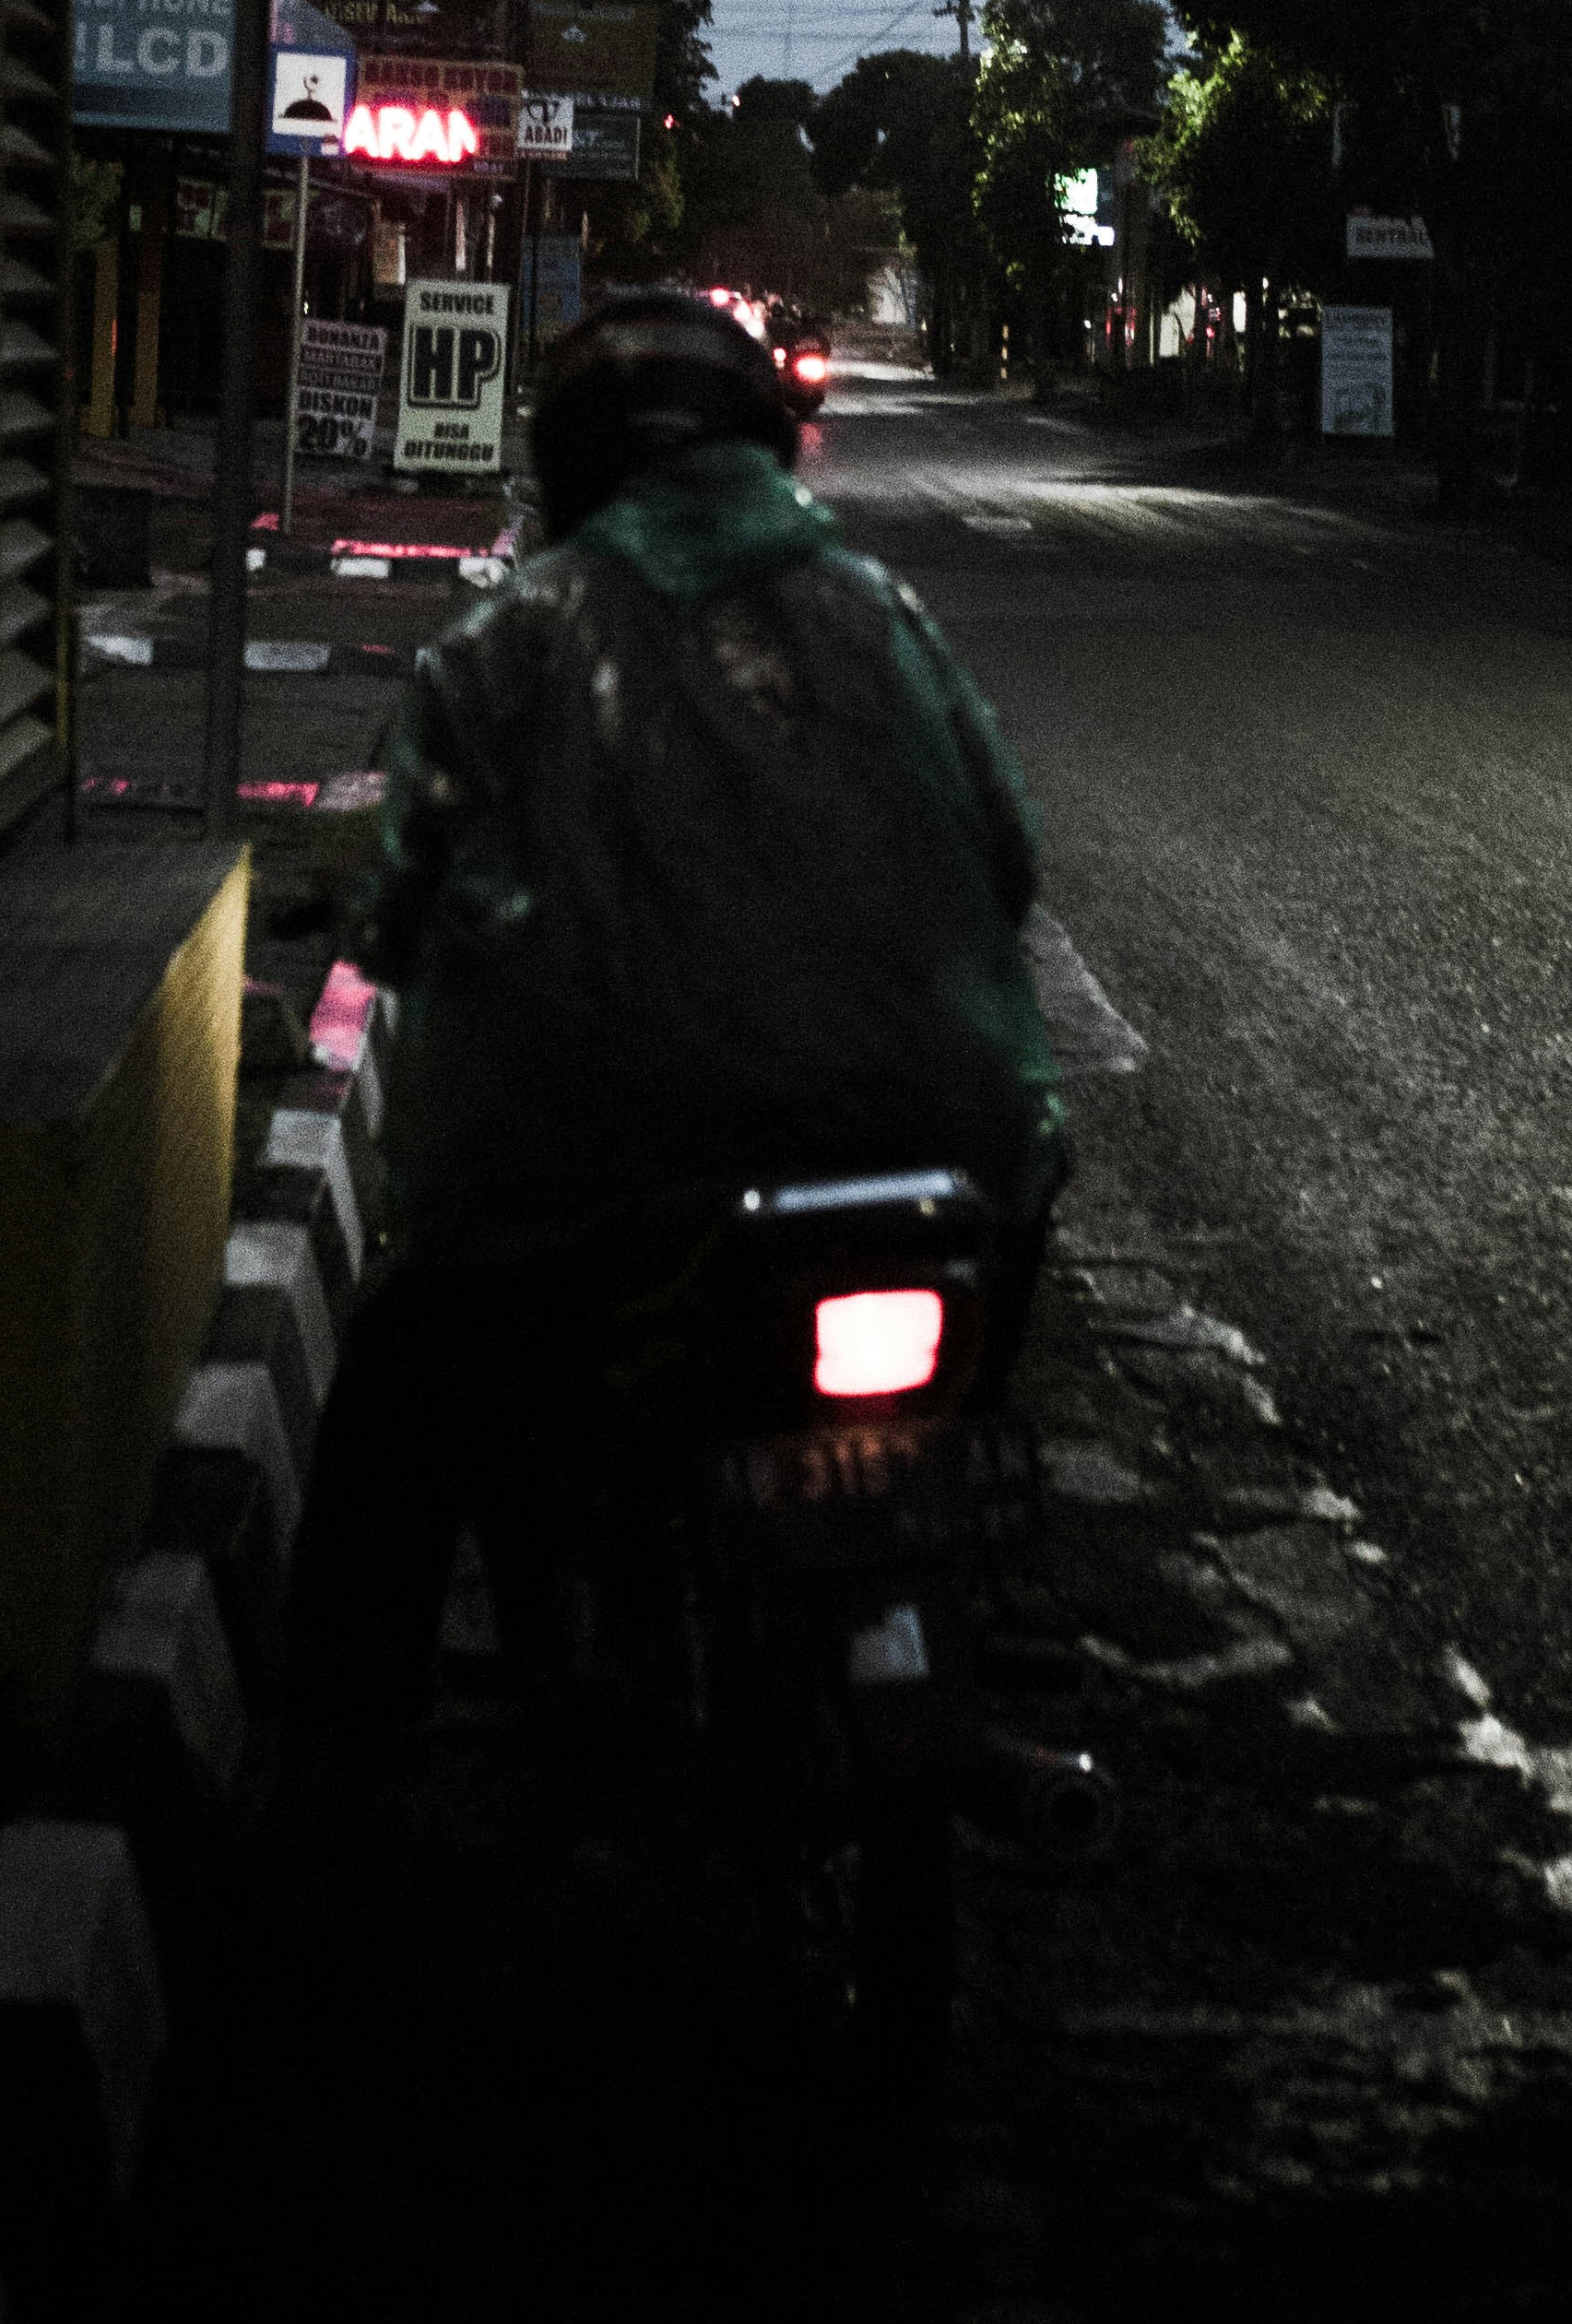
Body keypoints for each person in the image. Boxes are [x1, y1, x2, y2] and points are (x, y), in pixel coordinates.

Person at [282, 289, 1066, 1742]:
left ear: (569, 460)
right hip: (937, 1143)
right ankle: (959, 1589)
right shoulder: (880, 616)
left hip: (599, 1180)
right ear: (764, 447)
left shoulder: (506, 644)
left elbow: (410, 898)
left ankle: (327, 1817)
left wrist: (375, 927)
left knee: (394, 1411)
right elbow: (1007, 862)